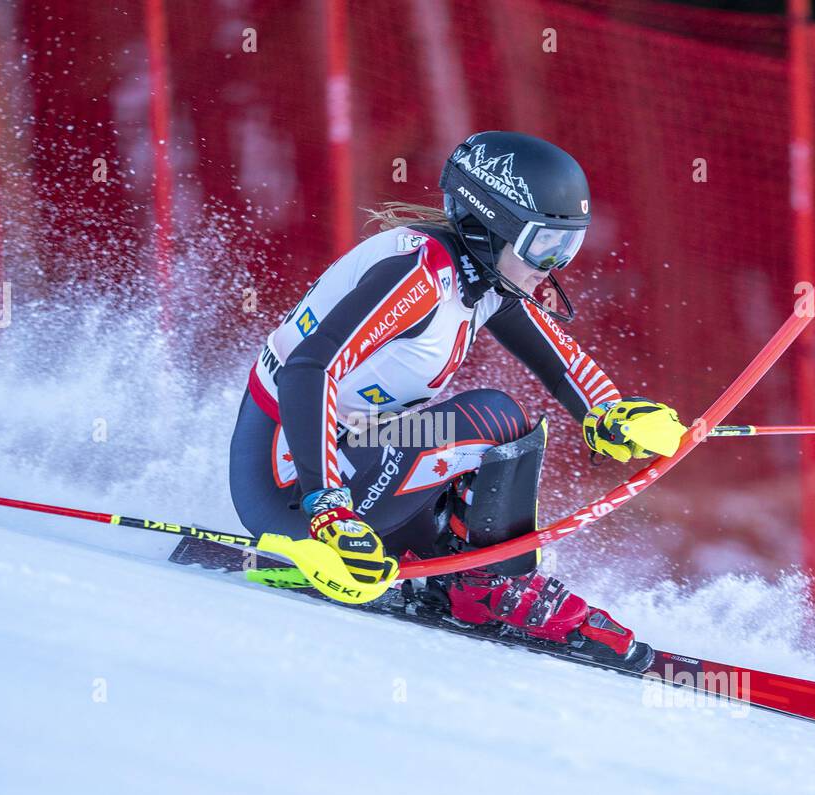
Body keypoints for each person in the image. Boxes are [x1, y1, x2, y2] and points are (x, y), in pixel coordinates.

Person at [228, 131, 680, 661]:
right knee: (493, 415)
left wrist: (608, 412)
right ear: (492, 225)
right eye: (544, 246)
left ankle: (460, 569)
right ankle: (489, 585)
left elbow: (561, 362)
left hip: (356, 461)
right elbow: (307, 370)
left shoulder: (484, 276)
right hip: (288, 482)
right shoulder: (418, 277)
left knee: (491, 425)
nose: (553, 265)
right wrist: (327, 508)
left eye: (568, 246)